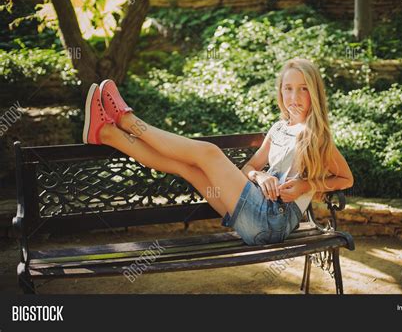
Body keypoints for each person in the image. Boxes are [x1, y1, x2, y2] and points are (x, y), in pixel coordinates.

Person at [82, 58, 353, 246]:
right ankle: (106, 133)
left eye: (303, 89)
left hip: (273, 221)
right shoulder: (279, 129)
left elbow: (346, 179)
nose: (295, 96)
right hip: (255, 210)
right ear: (280, 93)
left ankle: (128, 121)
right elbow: (247, 168)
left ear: (315, 93)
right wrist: (260, 177)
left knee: (209, 153)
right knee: (187, 167)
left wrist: (307, 185)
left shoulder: (316, 136)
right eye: (288, 88)